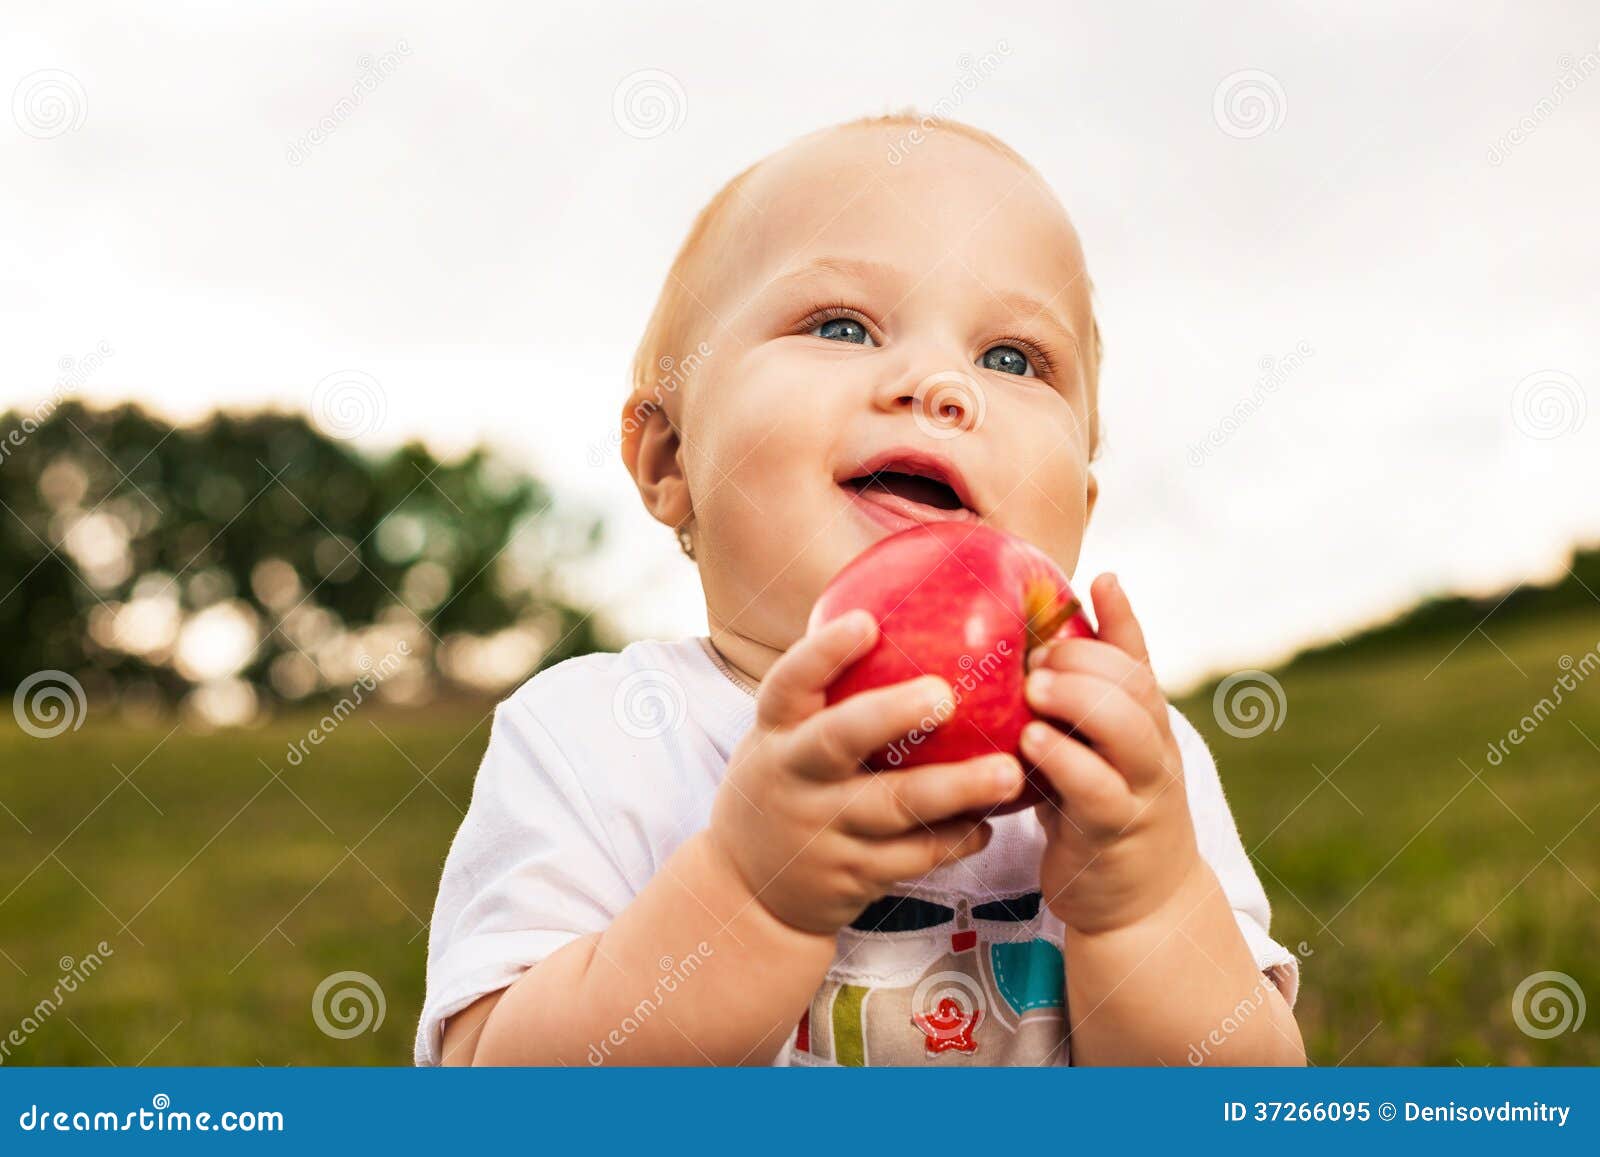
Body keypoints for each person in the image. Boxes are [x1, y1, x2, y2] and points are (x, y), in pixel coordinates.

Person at [415, 112, 1304, 1066]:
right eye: (842, 326)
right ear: (671, 455)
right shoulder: (597, 735)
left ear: (1080, 506)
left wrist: (1147, 903)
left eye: (1012, 359)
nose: (939, 384)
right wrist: (749, 895)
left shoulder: (1123, 765)